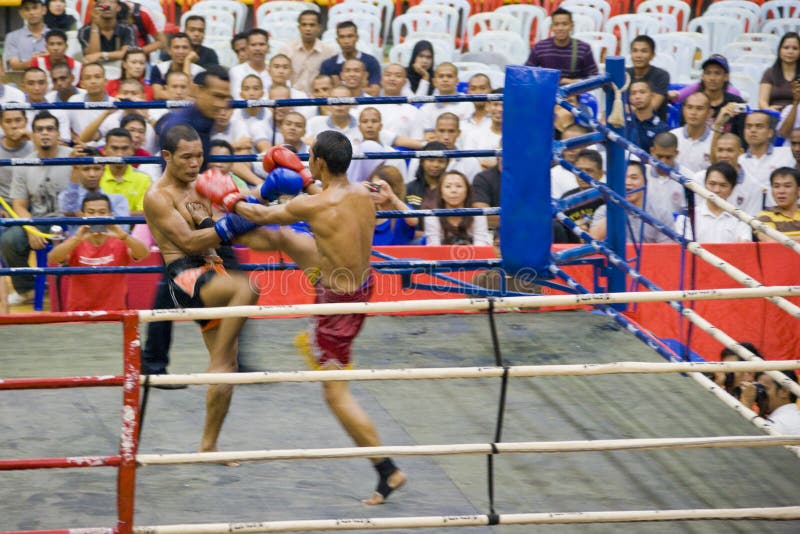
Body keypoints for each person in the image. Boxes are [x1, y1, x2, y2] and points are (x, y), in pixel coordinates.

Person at [205, 133, 406, 504]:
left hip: (338, 303)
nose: (306, 159)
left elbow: (261, 212)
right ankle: (219, 235)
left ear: (321, 163)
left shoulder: (312, 205)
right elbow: (335, 199)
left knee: (335, 394)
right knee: (286, 239)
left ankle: (387, 470)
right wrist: (300, 174)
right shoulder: (363, 191)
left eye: (309, 156)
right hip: (360, 282)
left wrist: (228, 195)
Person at [143, 124, 267, 451]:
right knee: (248, 288)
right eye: (186, 157)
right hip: (184, 276)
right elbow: (187, 241)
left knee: (228, 369)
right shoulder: (158, 196)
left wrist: (262, 199)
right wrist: (226, 225)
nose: (194, 163)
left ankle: (208, 445)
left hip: (214, 268)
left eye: (199, 155)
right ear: (166, 156)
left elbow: (218, 229)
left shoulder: (204, 185)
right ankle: (218, 362)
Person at [1, 111, 77, 305]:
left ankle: (77, 286)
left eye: (50, 129)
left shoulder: (73, 157)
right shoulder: (24, 163)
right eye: (39, 130)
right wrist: (30, 227)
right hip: (40, 221)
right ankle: (26, 289)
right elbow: (19, 204)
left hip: (72, 221)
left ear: (58, 134)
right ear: (32, 135)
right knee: (9, 239)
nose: (45, 133)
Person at [48, 191, 148, 311]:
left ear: (110, 215)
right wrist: (77, 239)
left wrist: (123, 235)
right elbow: (53, 259)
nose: (96, 216)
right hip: (79, 314)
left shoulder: (121, 240)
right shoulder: (75, 241)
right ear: (82, 215)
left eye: (102, 212)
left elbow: (143, 254)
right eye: (91, 212)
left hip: (114, 315)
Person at [674, 162, 752, 243]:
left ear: (732, 189)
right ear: (705, 185)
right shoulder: (687, 218)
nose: (716, 190)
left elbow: (743, 250)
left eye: (723, 185)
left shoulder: (741, 220)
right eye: (712, 184)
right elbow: (686, 252)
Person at [590, 159, 665, 243]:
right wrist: (618, 206)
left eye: (633, 178)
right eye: (622, 178)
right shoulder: (603, 211)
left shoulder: (661, 214)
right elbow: (593, 240)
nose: (627, 182)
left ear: (645, 182)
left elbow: (667, 251)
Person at [524, 7, 598, 84]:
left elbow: (594, 77)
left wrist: (575, 89)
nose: (560, 28)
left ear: (572, 26)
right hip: (547, 90)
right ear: (551, 27)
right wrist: (560, 80)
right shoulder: (540, 47)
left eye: (564, 24)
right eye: (556, 24)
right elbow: (526, 73)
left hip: (576, 91)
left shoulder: (583, 49)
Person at [736, 110, 795, 203]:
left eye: (759, 126)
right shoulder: (738, 161)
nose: (753, 130)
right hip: (745, 215)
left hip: (780, 215)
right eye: (748, 126)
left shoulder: (788, 154)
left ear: (770, 132)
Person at [59, 145, 130, 218]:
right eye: (86, 169)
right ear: (78, 170)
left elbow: (123, 227)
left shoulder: (118, 200)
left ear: (104, 170)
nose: (92, 174)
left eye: (97, 169)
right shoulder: (66, 197)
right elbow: (68, 211)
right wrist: (75, 168)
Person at [425, 170, 492, 246]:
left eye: (459, 186)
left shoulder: (477, 214)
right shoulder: (432, 216)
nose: (453, 190)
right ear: (441, 193)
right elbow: (433, 248)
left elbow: (481, 245)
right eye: (448, 186)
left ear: (467, 191)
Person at [278, 10, 337, 95]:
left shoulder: (329, 52)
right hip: (292, 100)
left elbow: (334, 82)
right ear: (299, 27)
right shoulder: (287, 50)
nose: (308, 29)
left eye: (312, 25)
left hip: (319, 101)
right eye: (304, 25)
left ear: (319, 28)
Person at [553, 149, 606, 243]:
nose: (583, 175)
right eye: (579, 170)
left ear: (600, 174)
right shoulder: (567, 197)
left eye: (589, 171)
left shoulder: (608, 195)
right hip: (570, 250)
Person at [320, 21, 381, 96]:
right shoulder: (328, 65)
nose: (346, 41)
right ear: (337, 40)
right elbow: (323, 93)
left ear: (357, 38)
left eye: (350, 36)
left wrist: (339, 86)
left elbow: (375, 92)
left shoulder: (371, 62)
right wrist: (359, 86)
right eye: (342, 37)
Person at [98, 128, 151, 214]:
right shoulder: (96, 176)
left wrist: (110, 216)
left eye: (124, 148)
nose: (119, 154)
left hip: (133, 228)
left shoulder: (144, 179)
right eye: (114, 148)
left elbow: (144, 214)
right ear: (104, 150)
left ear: (132, 150)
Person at [368, 165, 418, 246]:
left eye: (381, 188)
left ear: (393, 188)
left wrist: (391, 196)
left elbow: (413, 220)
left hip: (398, 257)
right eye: (373, 187)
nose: (376, 192)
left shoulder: (402, 211)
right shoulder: (367, 211)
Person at [77, 0, 137, 66]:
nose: (107, 6)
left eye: (111, 2)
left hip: (120, 69)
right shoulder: (84, 31)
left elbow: (126, 54)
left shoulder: (127, 28)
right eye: (103, 2)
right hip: (96, 70)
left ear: (118, 8)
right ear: (96, 7)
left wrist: (101, 55)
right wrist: (95, 25)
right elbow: (92, 57)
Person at [626, 35, 670, 120]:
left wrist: (625, 109)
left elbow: (650, 109)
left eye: (644, 51)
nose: (638, 55)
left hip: (654, 127)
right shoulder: (624, 74)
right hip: (627, 125)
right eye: (635, 51)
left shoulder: (661, 76)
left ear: (652, 55)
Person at [150, 33, 205, 100]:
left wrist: (187, 61)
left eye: (185, 47)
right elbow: (158, 95)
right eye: (176, 47)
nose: (181, 51)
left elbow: (190, 93)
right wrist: (185, 97)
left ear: (191, 50)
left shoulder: (200, 71)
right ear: (169, 50)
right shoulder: (159, 68)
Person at [670, 92, 713, 173]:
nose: (693, 113)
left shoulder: (715, 141)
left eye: (699, 108)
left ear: (709, 113)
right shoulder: (672, 136)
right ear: (683, 110)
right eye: (689, 107)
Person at [0, 109, 34, 211]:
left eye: (18, 120)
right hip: (4, 205)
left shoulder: (37, 146)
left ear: (26, 121)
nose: (14, 126)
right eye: (8, 121)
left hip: (36, 205)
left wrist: (32, 138)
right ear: (1, 124)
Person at [625, 80, 670, 154]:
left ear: (652, 96)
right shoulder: (623, 123)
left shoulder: (662, 128)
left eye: (642, 92)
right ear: (629, 98)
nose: (638, 96)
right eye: (633, 93)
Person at [758, 32, 800, 112]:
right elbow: (762, 101)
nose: (790, 51)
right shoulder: (770, 73)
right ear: (779, 50)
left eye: (795, 48)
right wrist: (768, 110)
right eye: (786, 47)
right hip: (774, 115)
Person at [756, 167, 800, 242]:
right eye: (776, 186)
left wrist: (781, 238)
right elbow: (768, 239)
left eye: (787, 186)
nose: (781, 191)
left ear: (798, 190)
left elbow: (776, 240)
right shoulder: (765, 215)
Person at [4, 0, 49, 72]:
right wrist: (34, 61)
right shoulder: (12, 37)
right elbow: (14, 65)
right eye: (27, 9)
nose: (31, 12)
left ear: (44, 10)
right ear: (21, 13)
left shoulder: (54, 35)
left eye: (35, 8)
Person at [229, 28, 271, 100]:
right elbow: (238, 98)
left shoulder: (277, 70)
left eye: (262, 44)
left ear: (268, 48)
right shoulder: (236, 71)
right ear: (247, 48)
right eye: (253, 45)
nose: (257, 48)